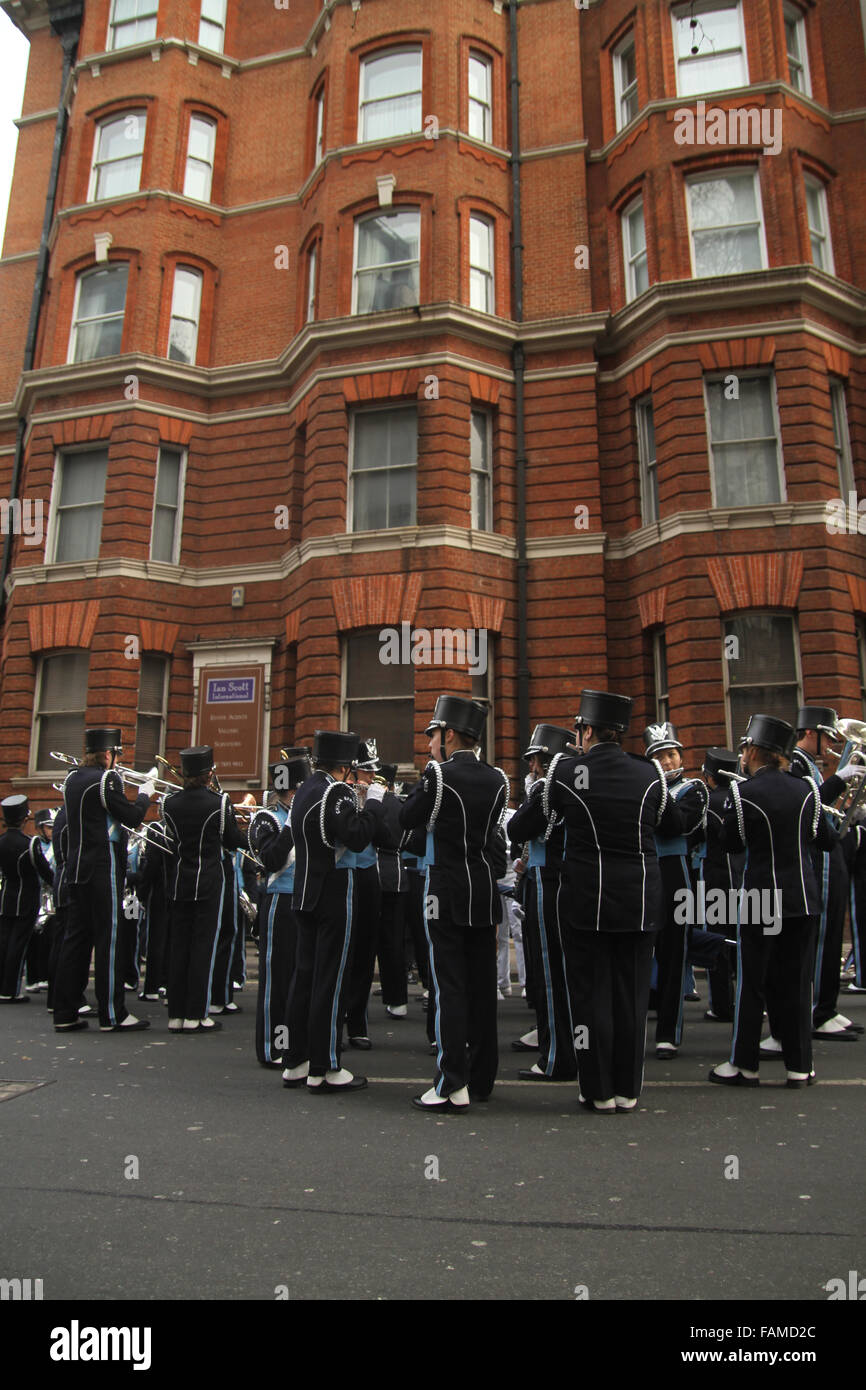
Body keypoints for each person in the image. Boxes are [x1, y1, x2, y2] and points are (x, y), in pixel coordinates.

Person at [543, 690, 684, 1114]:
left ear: (585, 730)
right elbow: (674, 823)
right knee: (632, 998)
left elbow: (533, 822)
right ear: (620, 733)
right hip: (641, 898)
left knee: (589, 999)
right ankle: (628, 1089)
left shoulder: (567, 771)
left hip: (587, 898)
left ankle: (597, 1089)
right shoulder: (649, 773)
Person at [710, 714, 836, 1089]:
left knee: (753, 983)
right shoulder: (808, 790)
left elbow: (731, 843)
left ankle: (745, 1064)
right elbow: (826, 840)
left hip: (760, 898)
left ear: (753, 751)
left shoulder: (741, 792)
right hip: (803, 898)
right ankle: (800, 1067)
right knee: (797, 983)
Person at [399, 694, 509, 1112]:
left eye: (434, 735)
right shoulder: (498, 777)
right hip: (484, 890)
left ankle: (451, 1084)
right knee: (481, 988)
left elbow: (407, 818)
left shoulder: (438, 776)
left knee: (449, 986)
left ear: (448, 734)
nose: (430, 744)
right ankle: (482, 1078)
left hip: (444, 889)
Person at [282, 730, 386, 1093]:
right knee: (331, 979)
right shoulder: (335, 791)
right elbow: (356, 836)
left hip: (304, 892)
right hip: (332, 892)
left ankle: (296, 1060)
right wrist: (373, 803)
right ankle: (324, 1067)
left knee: (305, 978)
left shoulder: (303, 791)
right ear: (344, 766)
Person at [53, 728, 155, 1033]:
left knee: (76, 941)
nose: (116, 760)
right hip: (102, 867)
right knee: (108, 940)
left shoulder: (72, 779)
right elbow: (132, 817)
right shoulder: (106, 779)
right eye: (116, 754)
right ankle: (113, 1013)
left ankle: (64, 1012)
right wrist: (146, 793)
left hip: (76, 869)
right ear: (108, 753)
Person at [162, 745, 249, 1035]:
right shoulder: (218, 802)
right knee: (203, 948)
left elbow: (173, 840)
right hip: (209, 881)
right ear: (208, 773)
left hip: (179, 882)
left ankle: (176, 1014)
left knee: (179, 949)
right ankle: (197, 1015)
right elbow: (232, 839)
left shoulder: (169, 803)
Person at [507, 724, 577, 1082]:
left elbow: (517, 828)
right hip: (571, 881)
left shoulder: (549, 789)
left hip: (548, 882)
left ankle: (556, 1056)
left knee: (550, 973)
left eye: (536, 760)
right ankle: (564, 1041)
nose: (531, 768)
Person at [788, 706, 862, 1041]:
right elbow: (807, 804)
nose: (831, 742)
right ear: (809, 734)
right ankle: (818, 1010)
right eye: (826, 736)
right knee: (821, 939)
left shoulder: (811, 767)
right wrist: (839, 778)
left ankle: (827, 1006)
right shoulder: (796, 764)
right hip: (818, 861)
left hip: (830, 855)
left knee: (832, 935)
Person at [642, 722, 708, 1061]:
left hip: (675, 874)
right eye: (659, 757)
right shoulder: (646, 790)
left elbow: (680, 825)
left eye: (671, 755)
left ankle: (668, 1033)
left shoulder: (693, 789)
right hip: (645, 873)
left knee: (672, 953)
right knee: (638, 951)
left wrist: (656, 797)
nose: (667, 762)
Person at [248, 754, 309, 1067]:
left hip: (303, 899)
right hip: (278, 903)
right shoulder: (266, 818)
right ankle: (274, 1046)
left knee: (301, 977)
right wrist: (290, 823)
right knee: (278, 977)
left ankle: (298, 1044)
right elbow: (270, 859)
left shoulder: (301, 817)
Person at [696, 748, 745, 1023]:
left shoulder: (709, 801)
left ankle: (721, 1005)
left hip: (716, 878)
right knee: (744, 942)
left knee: (717, 942)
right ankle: (748, 1000)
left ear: (709, 776)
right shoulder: (742, 798)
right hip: (744, 877)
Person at [0, 796, 54, 1003]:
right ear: (24, 819)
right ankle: (10, 990)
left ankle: (2, 987)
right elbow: (44, 870)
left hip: (5, 898)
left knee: (4, 943)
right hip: (26, 899)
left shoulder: (1, 841)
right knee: (17, 945)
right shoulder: (29, 844)